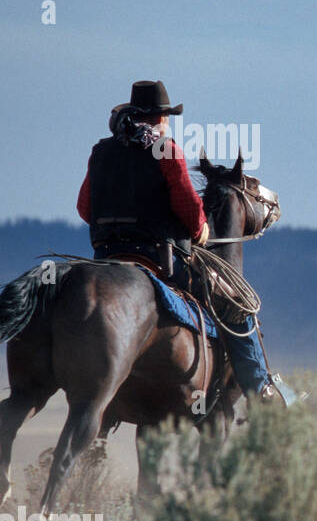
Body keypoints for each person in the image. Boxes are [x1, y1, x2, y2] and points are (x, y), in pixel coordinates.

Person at [77, 80, 284, 404]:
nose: (168, 122)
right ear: (160, 117)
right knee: (238, 305)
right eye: (167, 115)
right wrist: (200, 227)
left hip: (106, 257)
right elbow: (188, 205)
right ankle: (261, 390)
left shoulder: (101, 151)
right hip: (158, 259)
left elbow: (85, 209)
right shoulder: (167, 150)